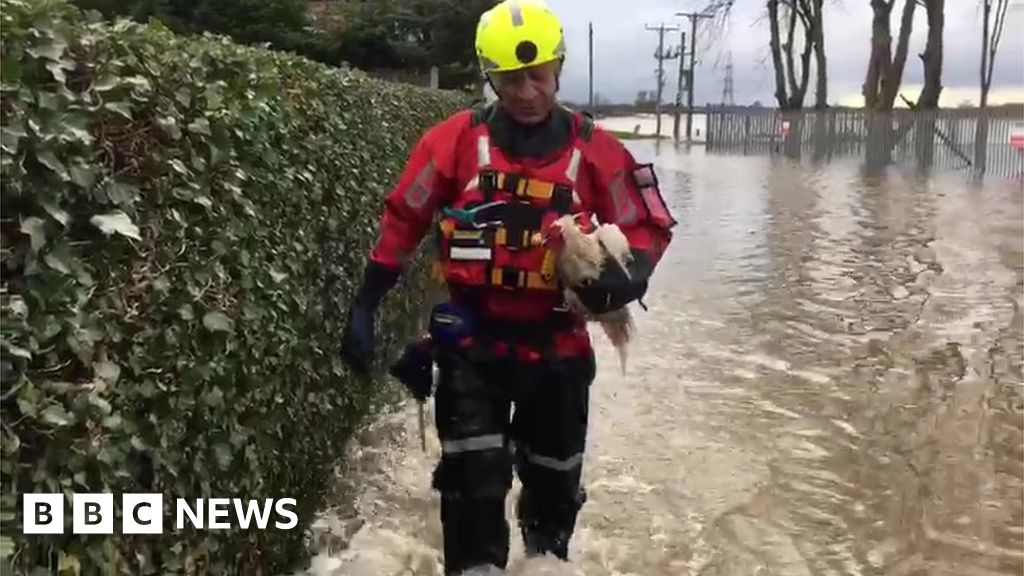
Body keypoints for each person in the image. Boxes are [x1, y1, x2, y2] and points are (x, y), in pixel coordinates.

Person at [339, 1, 676, 573]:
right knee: (472, 487)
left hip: (560, 351)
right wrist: (365, 304)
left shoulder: (597, 151)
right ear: (489, 77)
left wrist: (628, 280)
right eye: (510, 80)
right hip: (473, 347)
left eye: (537, 76)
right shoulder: (450, 143)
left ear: (558, 70)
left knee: (553, 497)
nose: (525, 92)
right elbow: (404, 219)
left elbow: (647, 225)